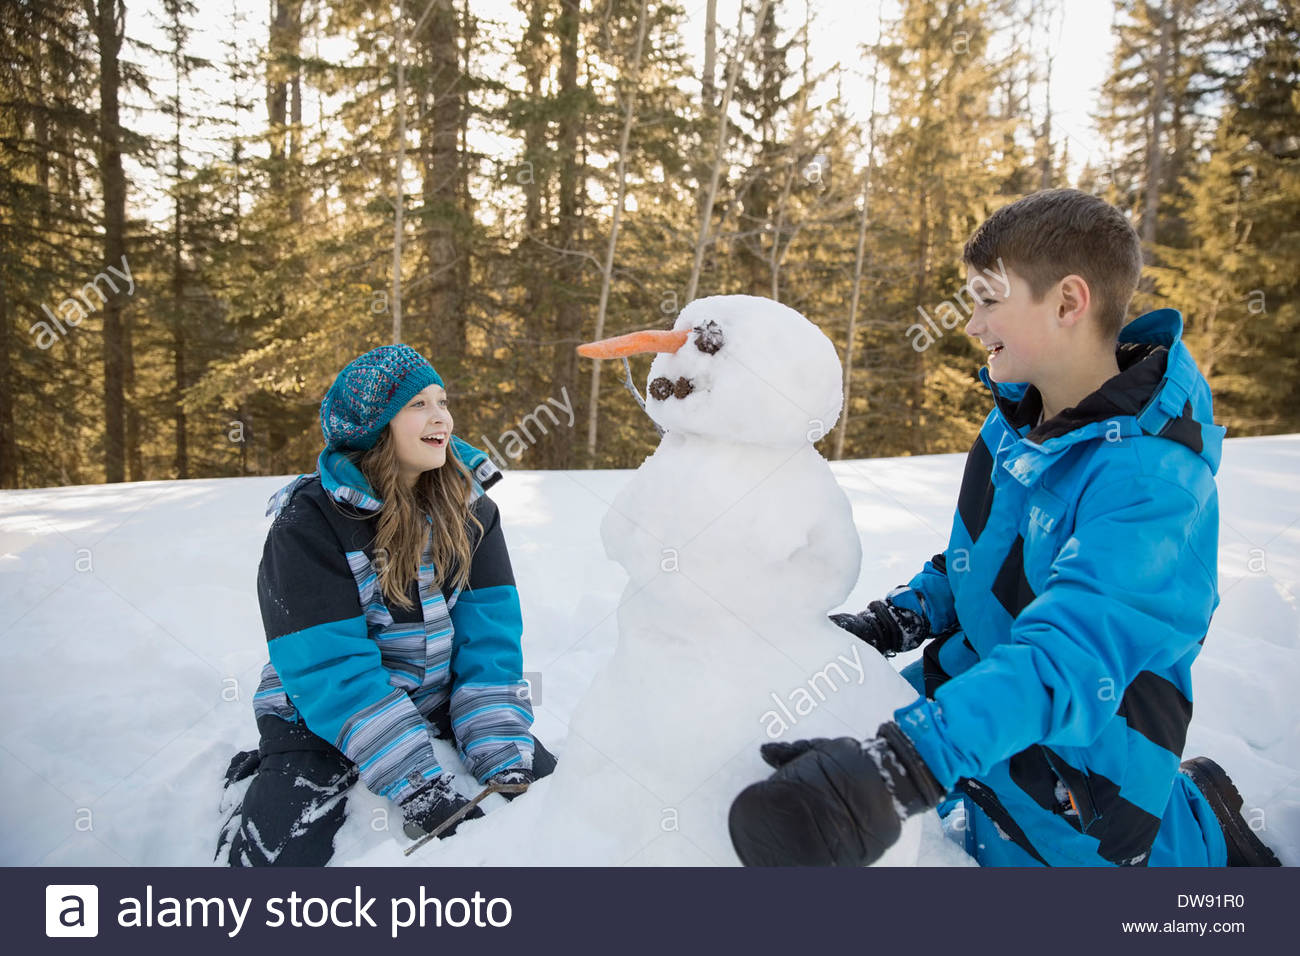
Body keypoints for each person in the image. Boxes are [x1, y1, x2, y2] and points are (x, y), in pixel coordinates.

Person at [728, 188, 1282, 868]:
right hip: (982, 696)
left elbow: (1068, 659)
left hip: (1089, 763)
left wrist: (903, 769)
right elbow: (978, 562)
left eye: (988, 300)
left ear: (1068, 303)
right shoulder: (1016, 423)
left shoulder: (1153, 483)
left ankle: (1200, 825)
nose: (970, 324)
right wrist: (888, 624)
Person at [216, 344, 555, 866]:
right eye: (418, 404)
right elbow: (329, 668)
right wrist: (418, 783)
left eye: (442, 401)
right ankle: (252, 793)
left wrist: (500, 751)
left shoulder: (473, 511)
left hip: (436, 700)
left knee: (554, 795)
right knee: (280, 863)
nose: (440, 416)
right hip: (319, 712)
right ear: (373, 426)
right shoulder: (308, 522)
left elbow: (488, 642)